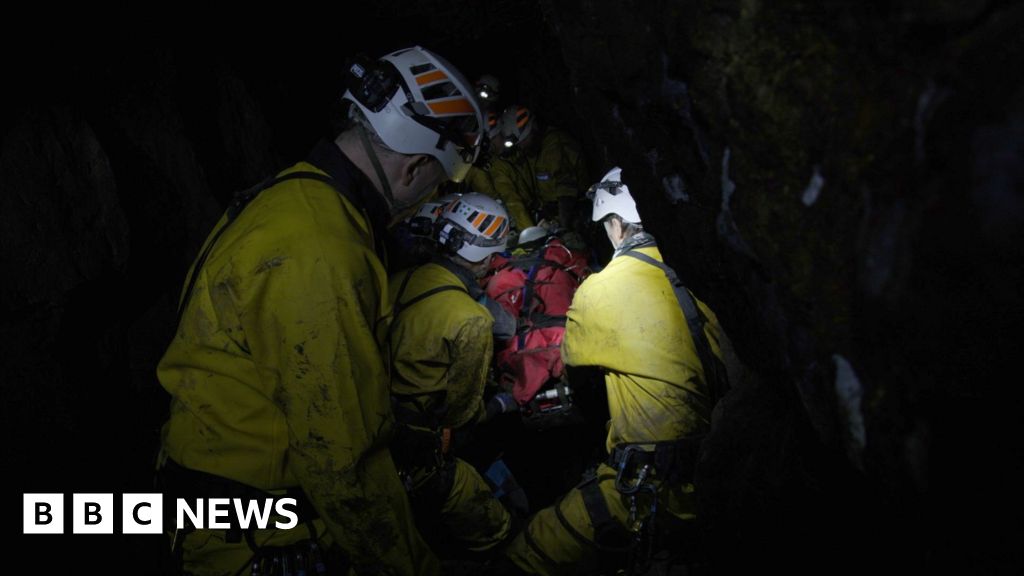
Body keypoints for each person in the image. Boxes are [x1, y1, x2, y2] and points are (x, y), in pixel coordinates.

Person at [156, 45, 484, 576]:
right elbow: (343, 467)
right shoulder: (324, 251)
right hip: (257, 537)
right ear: (415, 169)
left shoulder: (290, 194)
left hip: (214, 505)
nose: (430, 199)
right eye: (438, 185)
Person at [498, 167, 732, 575]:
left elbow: (578, 375)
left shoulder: (601, 289)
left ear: (616, 223)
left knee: (528, 554)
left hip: (651, 485)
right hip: (722, 470)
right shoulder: (697, 274)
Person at [384, 192, 520, 556]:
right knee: (492, 524)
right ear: (489, 257)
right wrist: (502, 405)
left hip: (375, 423)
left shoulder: (400, 278)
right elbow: (463, 412)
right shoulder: (471, 319)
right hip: (420, 450)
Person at [489, 105, 588, 236]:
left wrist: (565, 229)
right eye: (519, 145)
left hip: (576, 212)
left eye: (524, 141)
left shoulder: (554, 145)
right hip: (552, 213)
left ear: (533, 129)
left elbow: (566, 190)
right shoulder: (532, 151)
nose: (522, 147)